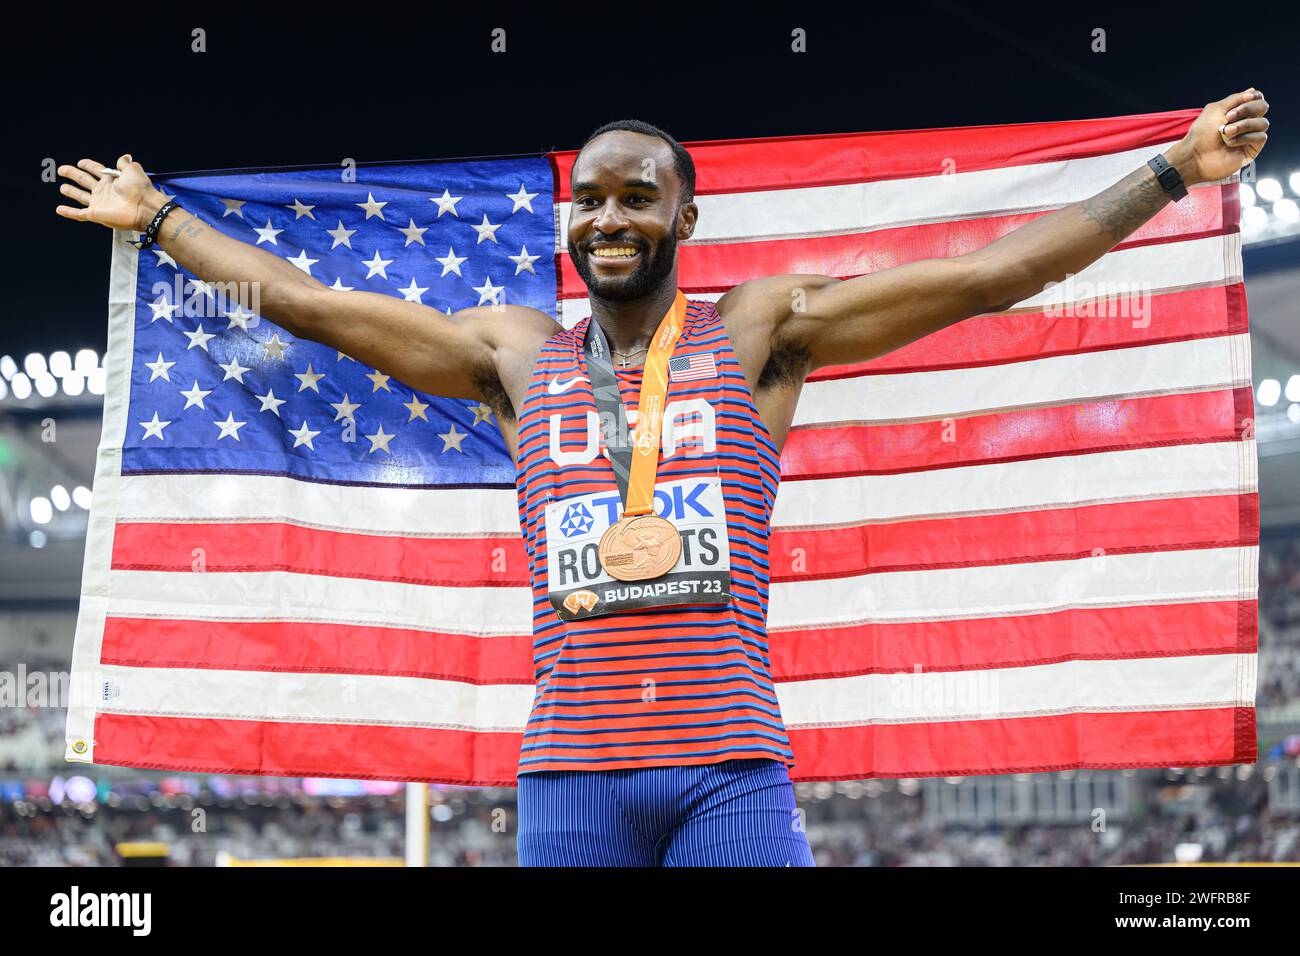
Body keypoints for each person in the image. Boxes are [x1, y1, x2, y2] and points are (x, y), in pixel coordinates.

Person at [54, 88, 1270, 866]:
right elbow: (313, 309)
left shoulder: (755, 331)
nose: (606, 215)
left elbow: (983, 278)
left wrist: (1171, 170)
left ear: (684, 215)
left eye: (638, 194)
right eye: (589, 197)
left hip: (728, 770)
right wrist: (158, 219)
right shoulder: (511, 352)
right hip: (572, 773)